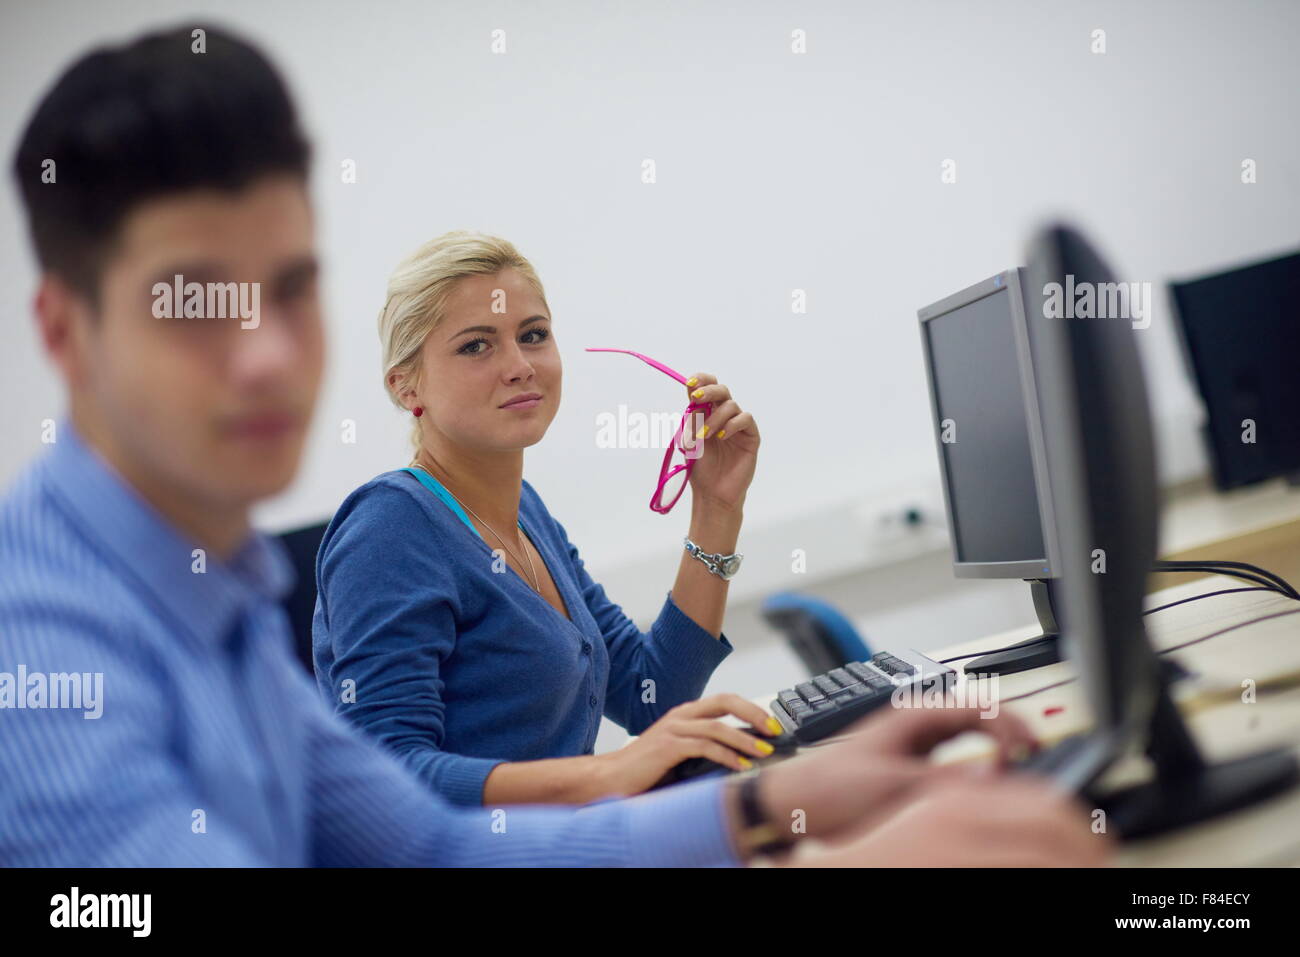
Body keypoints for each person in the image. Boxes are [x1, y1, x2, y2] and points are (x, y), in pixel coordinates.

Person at [0, 22, 1110, 868]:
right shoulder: (44, 646)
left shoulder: (223, 594)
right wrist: (637, 781)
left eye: (290, 290)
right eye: (194, 304)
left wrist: (770, 804)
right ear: (65, 328)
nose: (264, 357)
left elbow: (444, 841)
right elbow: (433, 782)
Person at [313, 229, 784, 807]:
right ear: (407, 385)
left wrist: (716, 509)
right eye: (476, 346)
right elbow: (389, 781)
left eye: (532, 336)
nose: (519, 366)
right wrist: (607, 775)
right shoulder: (390, 527)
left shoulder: (524, 511)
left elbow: (650, 695)